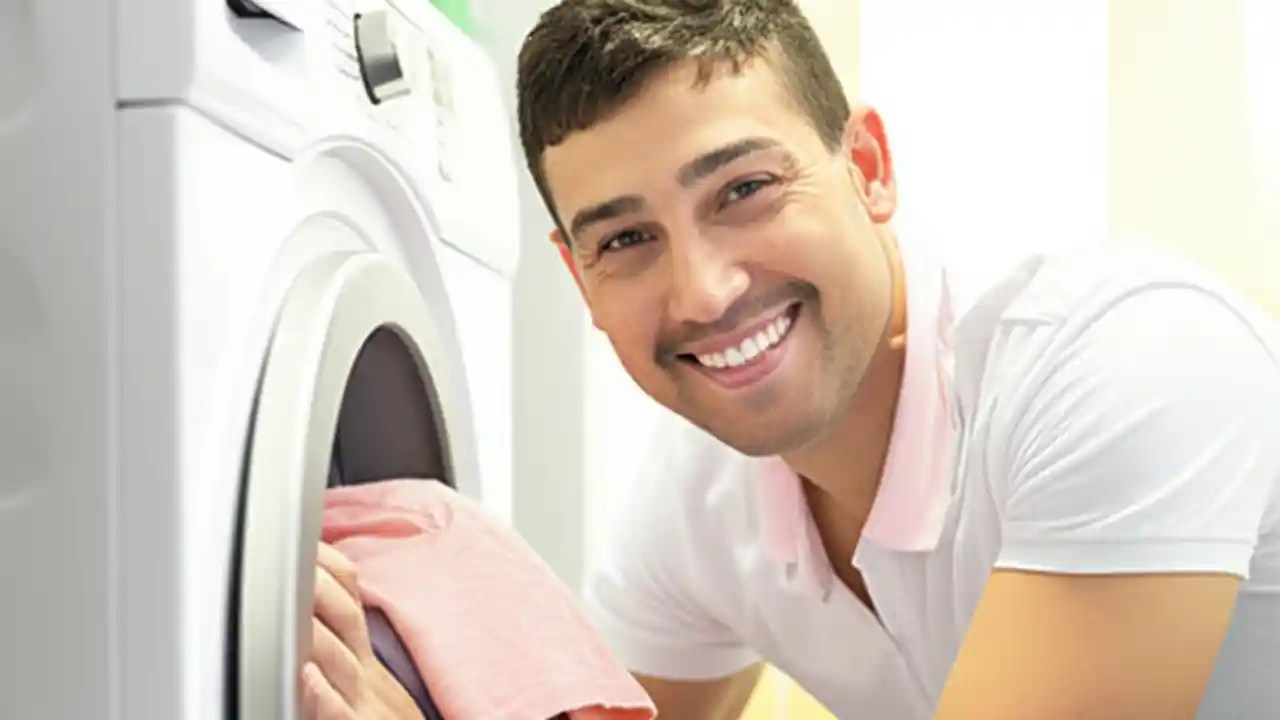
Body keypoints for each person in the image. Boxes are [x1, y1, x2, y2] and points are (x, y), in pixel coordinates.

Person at [511, 0, 1280, 718]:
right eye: (625, 240)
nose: (704, 294)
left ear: (869, 168)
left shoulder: (1124, 357)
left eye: (745, 188)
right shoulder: (695, 499)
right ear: (580, 276)